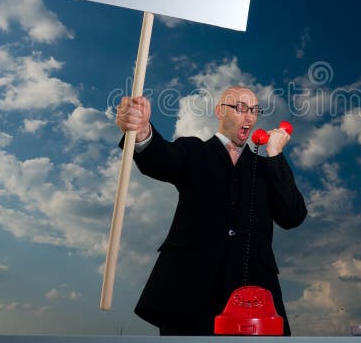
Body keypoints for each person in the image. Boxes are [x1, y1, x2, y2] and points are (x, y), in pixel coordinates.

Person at [116, 86, 307, 336]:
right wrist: (141, 131)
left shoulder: (266, 166)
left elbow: (292, 215)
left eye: (254, 110)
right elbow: (161, 158)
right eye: (240, 108)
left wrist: (275, 155)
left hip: (254, 294)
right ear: (219, 111)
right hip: (190, 293)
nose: (249, 116)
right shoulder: (194, 151)